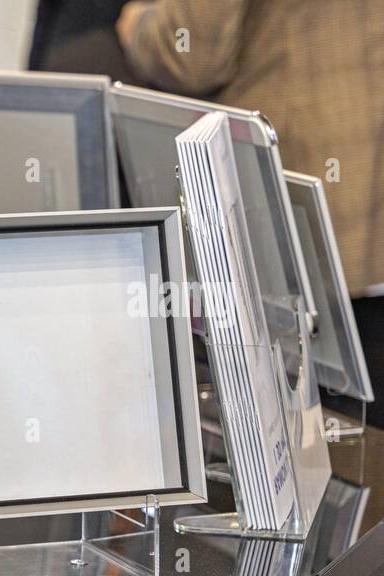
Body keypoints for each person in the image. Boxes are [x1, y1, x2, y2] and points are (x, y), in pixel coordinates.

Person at [116, 0, 384, 421]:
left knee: (312, 454)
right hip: (358, 216)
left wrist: (139, 25)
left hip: (294, 223)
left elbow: (192, 51)